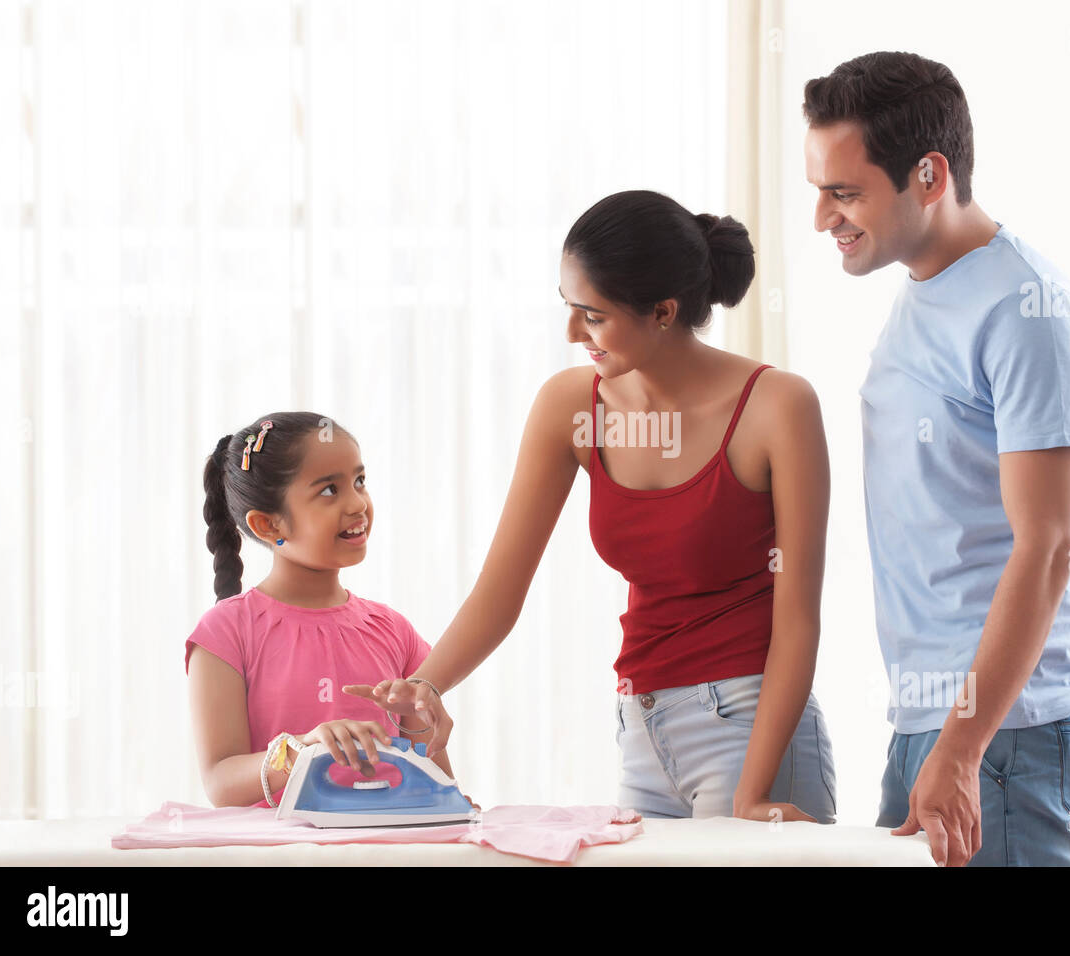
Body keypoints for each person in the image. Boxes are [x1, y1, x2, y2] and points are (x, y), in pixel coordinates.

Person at [346, 190, 838, 822]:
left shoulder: (779, 407)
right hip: (642, 730)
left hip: (751, 726)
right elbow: (501, 589)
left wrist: (752, 795)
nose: (573, 333)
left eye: (593, 316)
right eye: (569, 308)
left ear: (663, 312)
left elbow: (799, 619)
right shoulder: (573, 407)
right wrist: (426, 684)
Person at [801, 52, 1070, 864]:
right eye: (819, 192)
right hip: (936, 721)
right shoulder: (925, 288)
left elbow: (1049, 546)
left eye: (844, 191)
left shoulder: (1023, 309)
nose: (823, 218)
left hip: (1008, 733)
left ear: (928, 176)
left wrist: (965, 750)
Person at [187, 412, 473, 809]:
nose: (358, 503)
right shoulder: (225, 633)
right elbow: (220, 783)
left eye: (359, 481)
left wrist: (426, 728)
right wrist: (302, 749)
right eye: (328, 491)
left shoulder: (395, 631)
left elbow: (436, 787)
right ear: (268, 526)